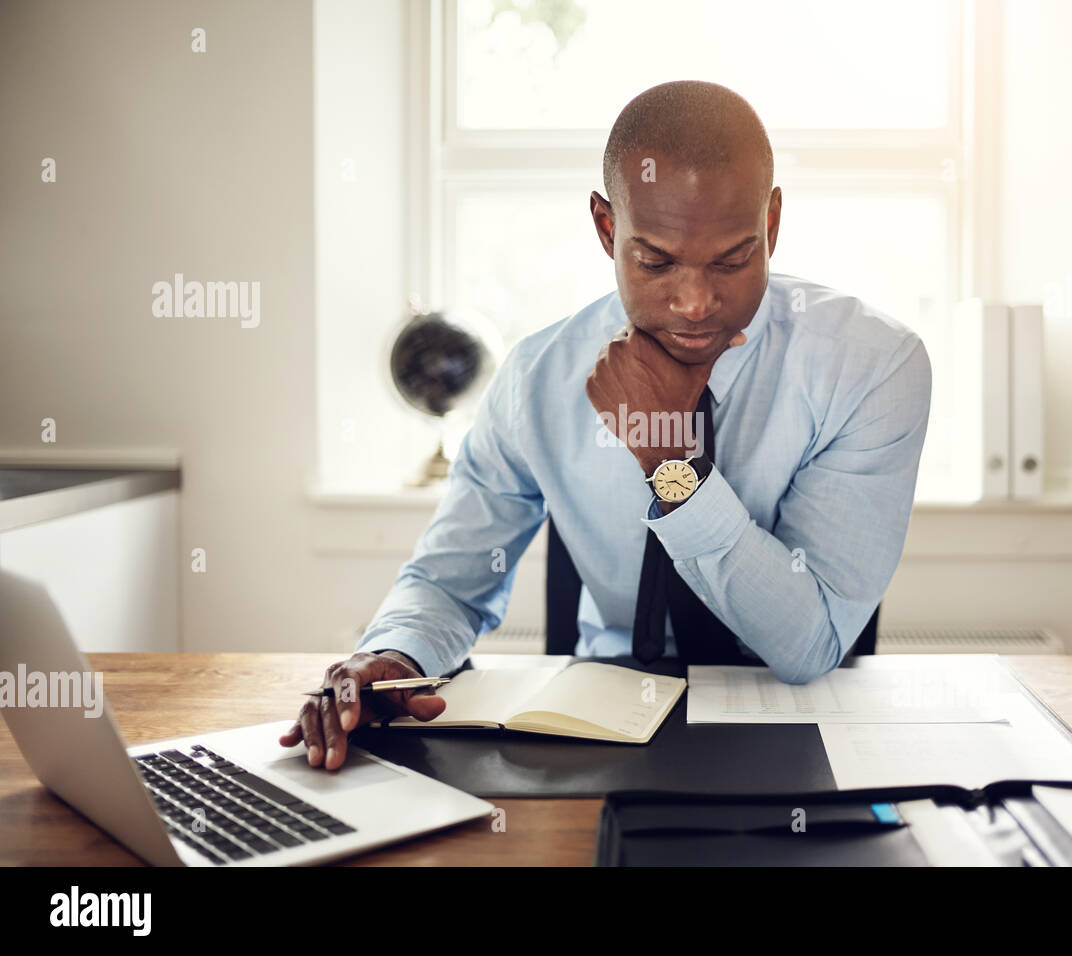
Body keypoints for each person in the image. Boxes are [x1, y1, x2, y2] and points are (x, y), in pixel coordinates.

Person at [282, 80, 931, 769]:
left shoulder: (873, 366)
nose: (694, 303)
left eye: (733, 259)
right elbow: (451, 580)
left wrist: (671, 466)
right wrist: (394, 654)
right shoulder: (537, 379)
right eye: (655, 260)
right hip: (594, 727)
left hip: (804, 729)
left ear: (771, 224)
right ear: (605, 227)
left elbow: (809, 647)